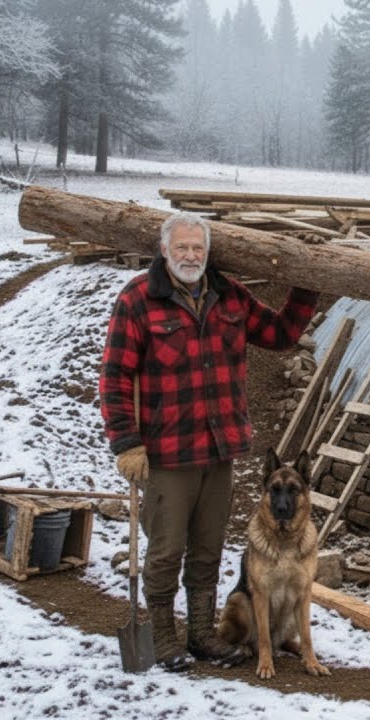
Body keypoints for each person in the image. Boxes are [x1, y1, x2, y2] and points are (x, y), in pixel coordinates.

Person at [99, 213, 320, 670]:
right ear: (165, 250)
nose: (190, 256)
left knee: (207, 549)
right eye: (181, 248)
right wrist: (126, 443)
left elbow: (281, 334)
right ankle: (162, 637)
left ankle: (201, 634)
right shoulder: (139, 299)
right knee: (165, 551)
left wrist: (307, 283)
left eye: (198, 248)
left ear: (208, 252)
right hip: (166, 455)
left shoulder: (229, 295)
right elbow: (115, 375)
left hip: (219, 451)